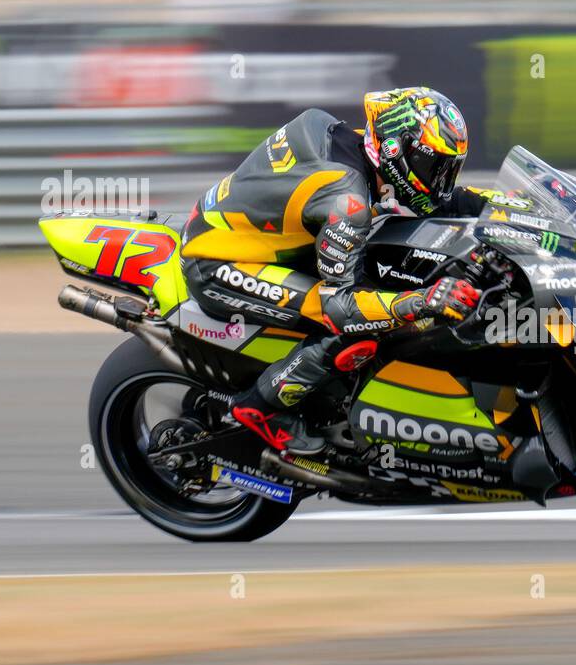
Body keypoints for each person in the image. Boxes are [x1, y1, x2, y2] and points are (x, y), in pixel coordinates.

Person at [179, 87, 491, 454]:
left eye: (448, 169)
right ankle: (261, 408)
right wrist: (422, 301)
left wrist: (515, 213)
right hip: (218, 262)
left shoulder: (353, 146)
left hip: (261, 240)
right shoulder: (348, 201)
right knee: (355, 328)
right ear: (396, 151)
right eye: (435, 167)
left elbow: (452, 201)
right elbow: (340, 307)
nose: (441, 181)